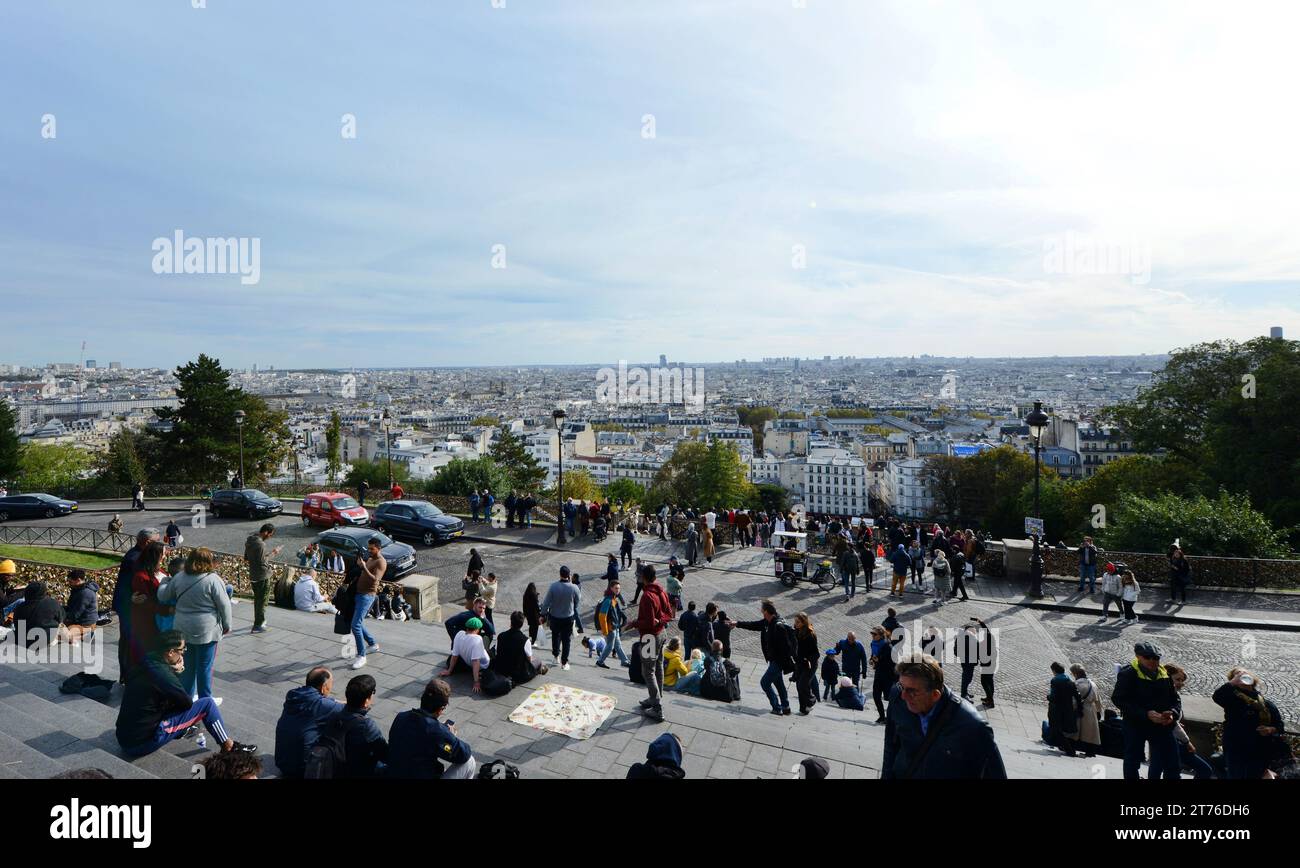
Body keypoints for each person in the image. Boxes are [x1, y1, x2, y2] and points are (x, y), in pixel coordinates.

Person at [116, 631, 256, 758]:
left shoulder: (145, 660)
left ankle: (181, 730)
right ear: (170, 652)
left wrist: (169, 669)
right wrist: (175, 673)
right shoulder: (165, 676)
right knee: (207, 704)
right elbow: (186, 703)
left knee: (167, 703)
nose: (183, 655)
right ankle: (229, 746)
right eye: (181, 651)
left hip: (124, 737)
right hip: (141, 744)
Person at [881, 653, 1007, 779]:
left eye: (912, 691)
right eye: (902, 686)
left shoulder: (973, 726)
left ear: (935, 695)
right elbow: (891, 744)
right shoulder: (898, 696)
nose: (904, 695)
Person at [156, 547, 232, 702]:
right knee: (205, 667)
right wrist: (227, 624)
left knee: (188, 666)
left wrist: (165, 579)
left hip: (183, 628)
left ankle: (187, 700)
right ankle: (205, 701)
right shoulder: (213, 579)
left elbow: (163, 595)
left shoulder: (179, 578)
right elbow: (224, 605)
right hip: (207, 629)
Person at [1111, 640, 1182, 781]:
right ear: (1138, 656)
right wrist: (1145, 714)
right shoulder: (1129, 673)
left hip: (1161, 725)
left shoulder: (1164, 674)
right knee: (1133, 758)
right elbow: (1119, 699)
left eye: (1155, 658)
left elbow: (1175, 699)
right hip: (1136, 724)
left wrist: (1172, 713)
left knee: (1171, 760)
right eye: (1147, 657)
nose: (1152, 661)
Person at [386, 679, 477, 779]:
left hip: (394, 773)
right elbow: (464, 754)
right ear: (440, 709)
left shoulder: (401, 717)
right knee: (469, 762)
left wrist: (441, 731)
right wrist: (450, 736)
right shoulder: (437, 732)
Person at [1213, 667, 1286, 779]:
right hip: (1236, 748)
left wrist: (1270, 729)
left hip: (1259, 750)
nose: (1242, 675)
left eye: (1245, 673)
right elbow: (1217, 696)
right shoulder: (1232, 700)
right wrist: (1233, 681)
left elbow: (1279, 725)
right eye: (1237, 675)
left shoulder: (1264, 703)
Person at [274, 667, 344, 779]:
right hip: (303, 770)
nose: (331, 686)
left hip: (282, 763)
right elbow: (348, 709)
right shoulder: (321, 705)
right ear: (324, 687)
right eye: (331, 683)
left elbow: (326, 702)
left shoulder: (293, 694)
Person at [728, 600, 795, 716]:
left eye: (762, 610)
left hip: (778, 661)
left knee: (764, 683)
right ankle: (786, 707)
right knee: (779, 684)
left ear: (767, 612)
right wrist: (737, 623)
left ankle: (777, 707)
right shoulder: (767, 622)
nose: (761, 612)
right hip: (773, 660)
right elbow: (753, 625)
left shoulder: (778, 626)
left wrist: (781, 663)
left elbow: (786, 647)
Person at [113, 528, 159, 683]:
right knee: (129, 641)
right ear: (147, 542)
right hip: (128, 607)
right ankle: (128, 676)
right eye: (157, 542)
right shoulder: (135, 559)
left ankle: (128, 675)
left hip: (128, 605)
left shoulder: (137, 555)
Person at [629, 564, 674, 722]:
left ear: (644, 578)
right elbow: (670, 614)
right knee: (659, 666)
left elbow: (647, 623)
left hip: (650, 637)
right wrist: (660, 620)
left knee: (647, 671)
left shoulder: (647, 596)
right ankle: (655, 697)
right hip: (662, 634)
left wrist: (633, 623)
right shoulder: (661, 590)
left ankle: (657, 707)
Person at [324, 674, 388, 779]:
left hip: (335, 768)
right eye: (373, 692)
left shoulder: (334, 715)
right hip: (359, 771)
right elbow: (384, 753)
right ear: (367, 700)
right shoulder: (366, 725)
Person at [1163, 664, 1212, 779]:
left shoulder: (1174, 695)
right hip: (1172, 742)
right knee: (1203, 770)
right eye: (1177, 679)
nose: (1181, 683)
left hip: (1177, 742)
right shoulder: (1166, 697)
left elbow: (1174, 722)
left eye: (1182, 680)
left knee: (1204, 770)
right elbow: (1172, 723)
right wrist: (1187, 741)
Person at [347, 537, 386, 669]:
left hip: (367, 596)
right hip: (359, 594)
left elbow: (376, 580)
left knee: (355, 625)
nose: (369, 550)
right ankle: (373, 644)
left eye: (372, 548)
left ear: (378, 548)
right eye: (368, 548)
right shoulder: (370, 559)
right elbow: (364, 572)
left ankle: (361, 656)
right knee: (357, 623)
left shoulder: (381, 562)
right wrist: (361, 566)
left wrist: (364, 567)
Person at [128, 540, 168, 668]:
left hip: (162, 619)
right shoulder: (141, 576)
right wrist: (166, 610)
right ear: (156, 555)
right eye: (163, 553)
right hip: (149, 622)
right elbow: (145, 602)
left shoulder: (161, 570)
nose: (166, 555)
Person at [244, 523, 282, 634]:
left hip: (253, 575)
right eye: (270, 534)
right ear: (265, 532)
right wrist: (274, 553)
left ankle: (260, 621)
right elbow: (262, 562)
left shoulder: (249, 541)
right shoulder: (261, 544)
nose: (270, 536)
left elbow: (246, 558)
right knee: (262, 601)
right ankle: (258, 625)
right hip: (262, 576)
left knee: (258, 599)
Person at [490, 611, 547, 686]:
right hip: (518, 675)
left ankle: (539, 670)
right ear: (522, 624)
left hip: (501, 670)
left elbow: (497, 652)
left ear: (511, 622)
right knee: (538, 660)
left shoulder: (501, 636)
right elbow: (529, 660)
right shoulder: (525, 640)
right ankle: (539, 670)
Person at [539, 566, 580, 670]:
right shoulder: (574, 587)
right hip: (568, 617)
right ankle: (564, 662)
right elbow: (577, 601)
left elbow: (546, 602)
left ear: (560, 574)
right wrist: (573, 607)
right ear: (569, 575)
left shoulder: (553, 586)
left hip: (555, 617)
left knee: (555, 637)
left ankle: (556, 656)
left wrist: (543, 614)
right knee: (566, 640)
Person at [439, 617, 491, 693]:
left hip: (467, 662)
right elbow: (476, 661)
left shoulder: (459, 634)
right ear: (477, 629)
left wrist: (449, 670)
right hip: (483, 665)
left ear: (467, 627)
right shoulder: (478, 639)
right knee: (487, 643)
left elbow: (454, 655)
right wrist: (476, 682)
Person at [12, 582, 64, 647]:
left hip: (23, 640)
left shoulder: (20, 606)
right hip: (44, 640)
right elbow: (61, 619)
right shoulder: (52, 603)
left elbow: (16, 623)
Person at [1046, 662, 1081, 757]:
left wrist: (1048, 697)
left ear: (1054, 671)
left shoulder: (1055, 681)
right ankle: (1067, 748)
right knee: (1062, 730)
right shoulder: (1070, 681)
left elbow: (1053, 696)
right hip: (1067, 709)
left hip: (1056, 709)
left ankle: (1069, 750)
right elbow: (1077, 696)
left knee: (1056, 730)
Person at [594, 580, 630, 669]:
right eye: (616, 588)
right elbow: (602, 616)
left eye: (619, 588)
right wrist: (605, 630)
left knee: (618, 645)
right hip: (611, 628)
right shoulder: (608, 600)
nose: (618, 590)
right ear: (611, 588)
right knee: (610, 646)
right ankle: (600, 661)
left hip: (615, 627)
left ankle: (624, 661)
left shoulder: (613, 599)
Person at [791, 612, 820, 715]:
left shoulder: (810, 635)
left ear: (804, 622)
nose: (796, 624)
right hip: (800, 663)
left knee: (802, 684)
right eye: (795, 622)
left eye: (798, 622)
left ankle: (811, 700)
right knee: (799, 685)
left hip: (810, 664)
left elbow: (816, 654)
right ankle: (803, 709)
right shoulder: (796, 631)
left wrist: (807, 660)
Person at [1070, 665, 1102, 758]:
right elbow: (1098, 700)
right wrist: (1099, 711)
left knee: (1077, 730)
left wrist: (1071, 708)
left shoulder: (1077, 684)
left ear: (1075, 674)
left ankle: (1071, 748)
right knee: (1090, 733)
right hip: (1091, 709)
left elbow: (1074, 700)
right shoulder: (1093, 684)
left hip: (1081, 709)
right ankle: (1090, 751)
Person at [63, 569, 99, 643]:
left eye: (70, 582)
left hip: (86, 623)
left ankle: (88, 632)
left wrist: (62, 618)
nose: (69, 583)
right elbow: (71, 606)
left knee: (64, 632)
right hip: (78, 619)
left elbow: (76, 613)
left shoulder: (85, 593)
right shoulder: (77, 589)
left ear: (78, 580)